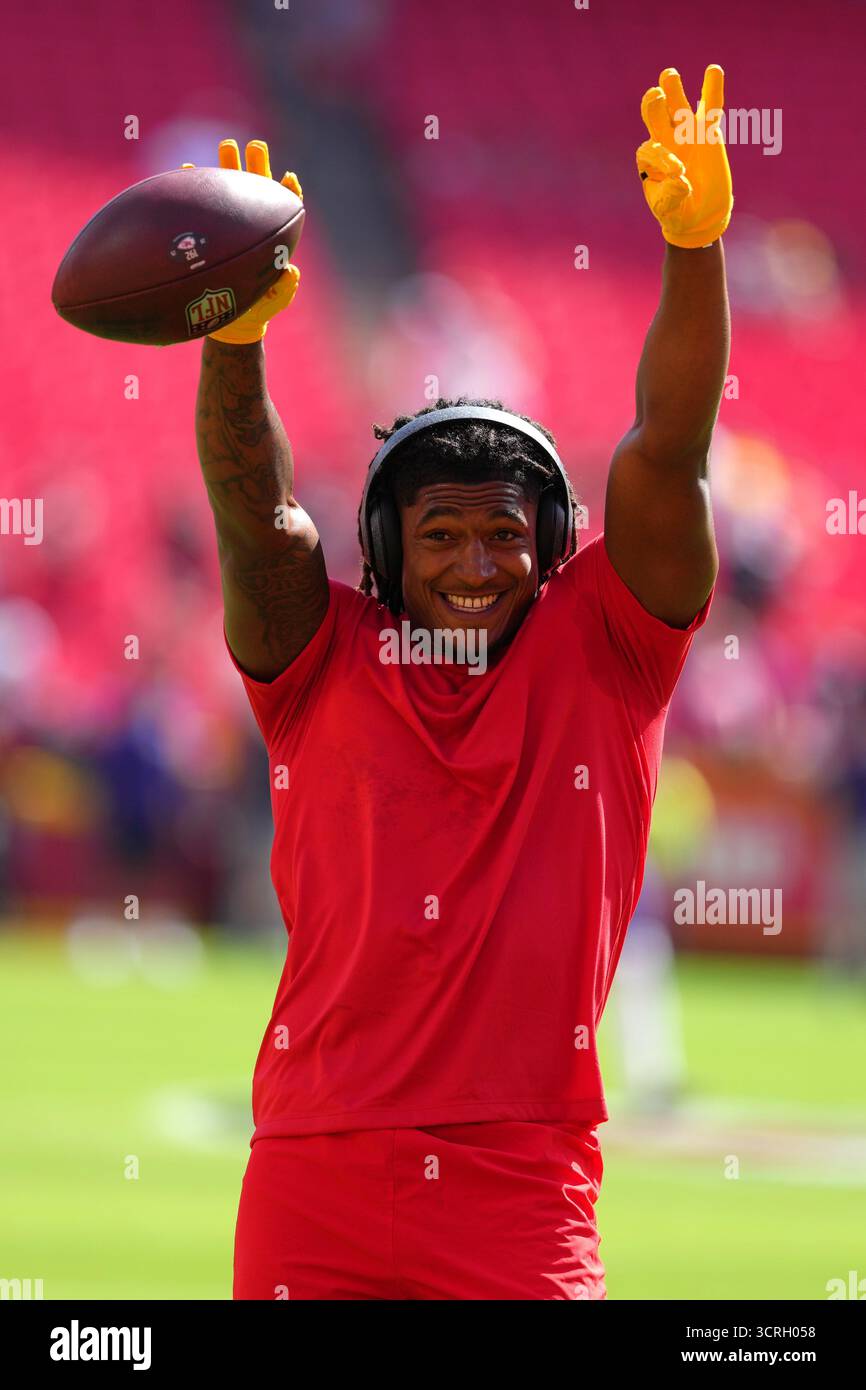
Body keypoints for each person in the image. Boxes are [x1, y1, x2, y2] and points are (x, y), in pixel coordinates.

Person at [193, 64, 732, 1300]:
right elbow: (254, 514)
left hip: (519, 1189)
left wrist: (692, 248)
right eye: (439, 535)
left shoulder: (608, 645)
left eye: (503, 534)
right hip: (309, 1177)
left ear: (552, 544)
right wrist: (235, 339)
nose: (475, 565)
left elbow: (667, 447)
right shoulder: (318, 655)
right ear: (384, 552)